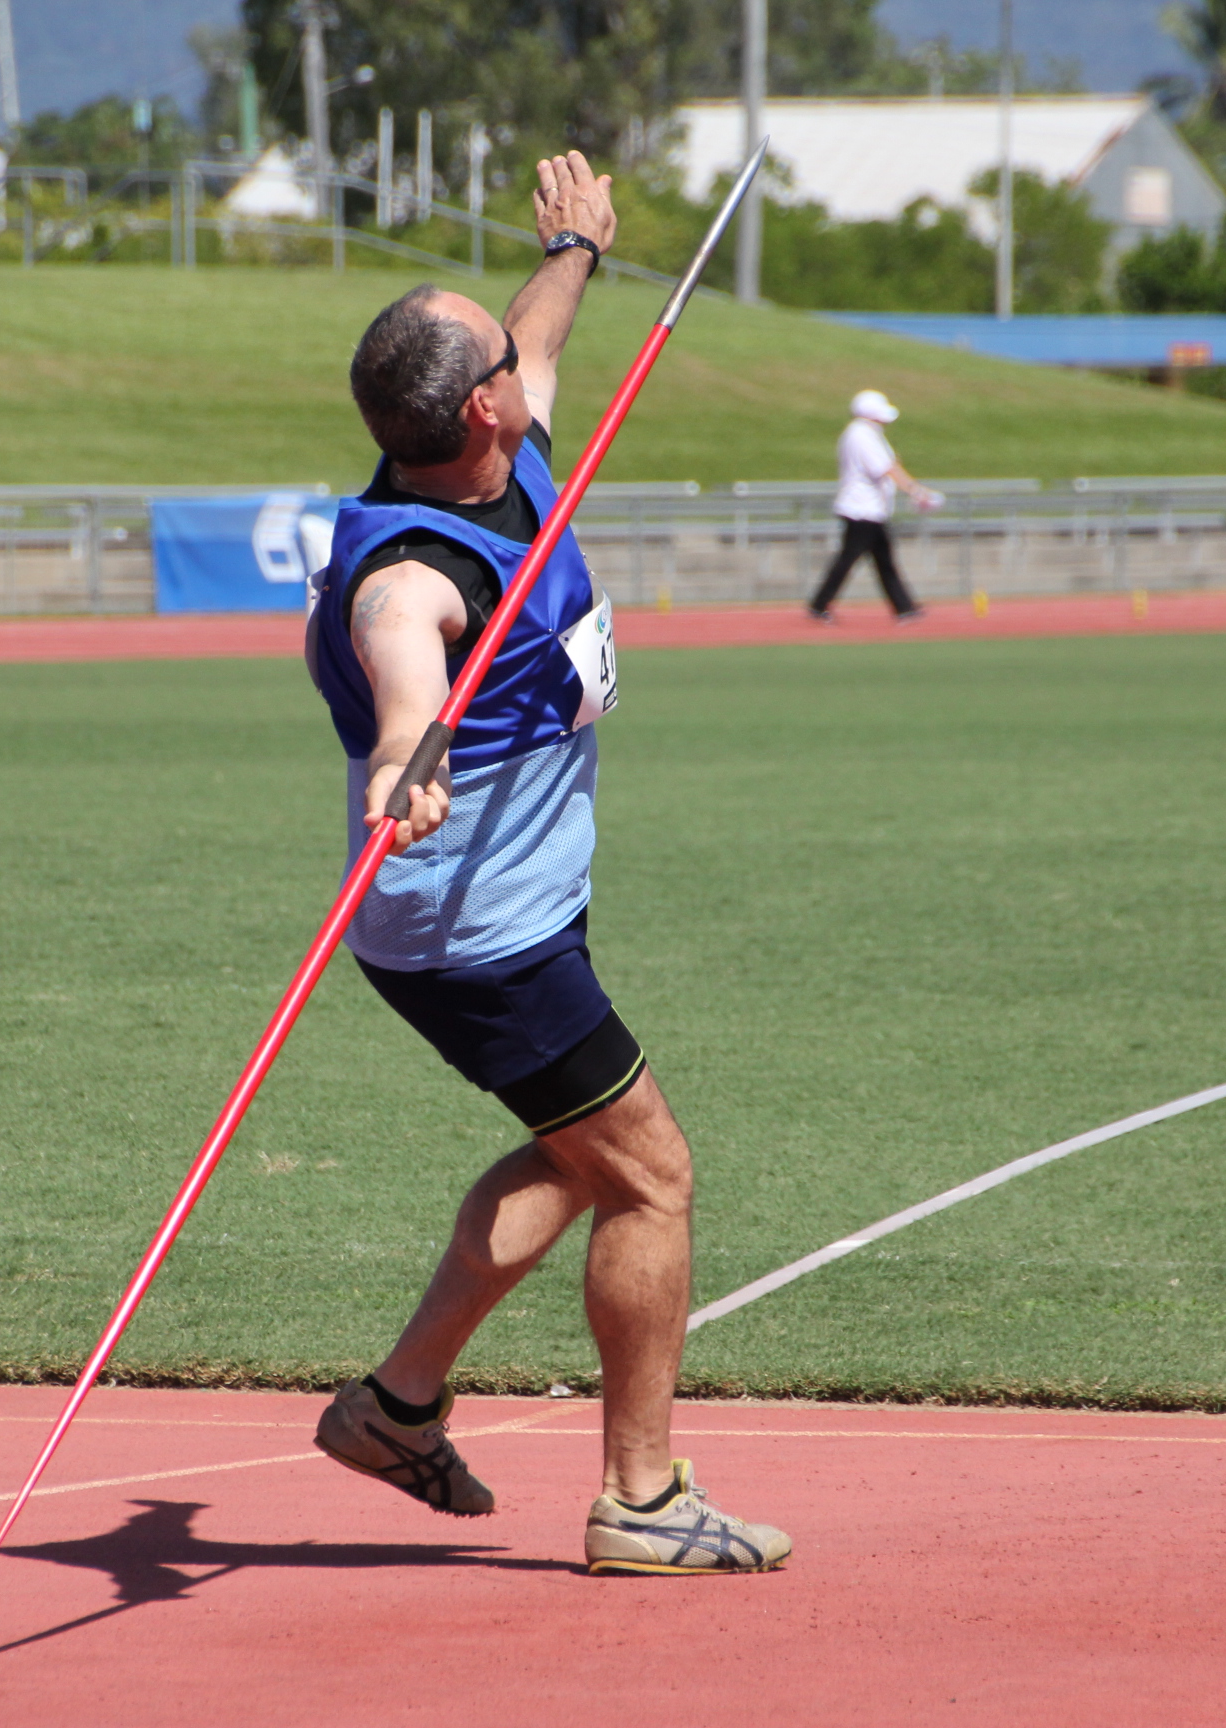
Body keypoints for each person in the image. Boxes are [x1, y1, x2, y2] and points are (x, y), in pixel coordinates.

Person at [301, 150, 790, 1576]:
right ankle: (640, 1501)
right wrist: (404, 770)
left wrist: (576, 248)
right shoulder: (414, 570)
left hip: (508, 911)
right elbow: (403, 686)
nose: (531, 364)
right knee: (652, 1178)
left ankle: (397, 1407)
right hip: (476, 933)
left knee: (578, 1162)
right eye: (509, 363)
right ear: (480, 407)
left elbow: (543, 341)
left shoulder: (490, 453)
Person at [808, 388, 941, 623]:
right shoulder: (862, 435)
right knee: (850, 559)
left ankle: (904, 607)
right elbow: (886, 468)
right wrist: (917, 491)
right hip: (862, 510)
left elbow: (889, 464)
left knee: (882, 559)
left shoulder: (864, 433)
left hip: (869, 510)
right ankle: (819, 605)